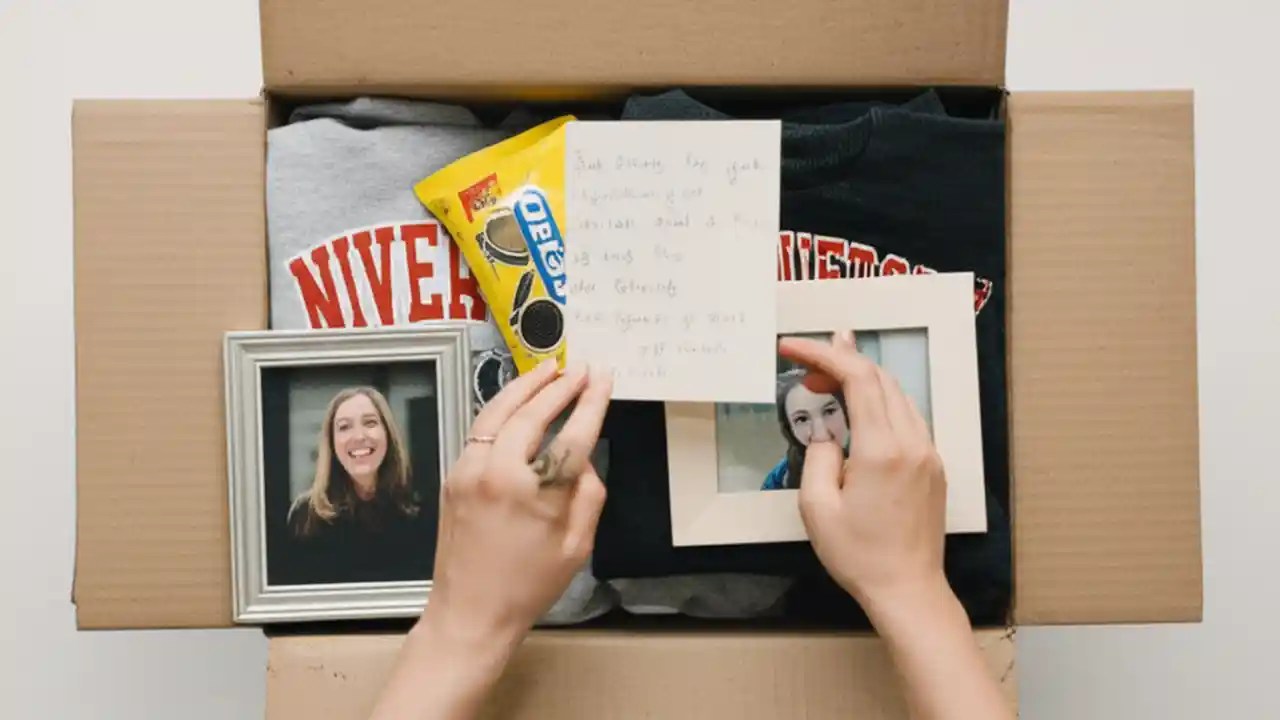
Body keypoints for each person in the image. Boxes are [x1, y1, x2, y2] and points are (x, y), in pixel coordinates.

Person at [368, 332, 1013, 720]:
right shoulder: (774, 482)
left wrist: (461, 630)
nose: (818, 429)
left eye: (827, 413)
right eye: (802, 419)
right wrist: (914, 595)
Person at [283, 386, 434, 585]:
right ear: (332, 443)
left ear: (388, 433)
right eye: (344, 427)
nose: (359, 436)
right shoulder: (306, 515)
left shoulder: (424, 510)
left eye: (370, 423)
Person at [762, 368, 851, 490]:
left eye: (829, 411)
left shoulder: (873, 466)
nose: (821, 434)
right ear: (790, 429)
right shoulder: (781, 476)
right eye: (802, 419)